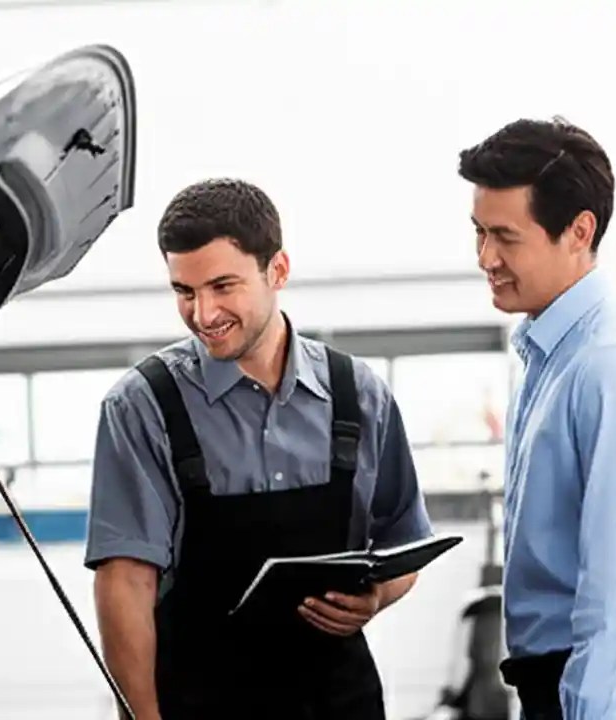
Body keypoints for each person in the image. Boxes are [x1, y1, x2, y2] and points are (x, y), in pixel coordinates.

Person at [84, 178, 434, 720]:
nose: (203, 313)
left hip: (341, 703)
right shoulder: (141, 407)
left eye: (223, 286)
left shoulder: (360, 397)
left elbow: (403, 542)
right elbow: (126, 583)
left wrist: (375, 598)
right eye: (184, 291)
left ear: (278, 271)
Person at [456, 118, 616, 719]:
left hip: (612, 693)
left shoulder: (609, 367)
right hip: (568, 685)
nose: (486, 257)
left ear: (578, 231)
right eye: (479, 233)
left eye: (506, 237)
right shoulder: (551, 354)